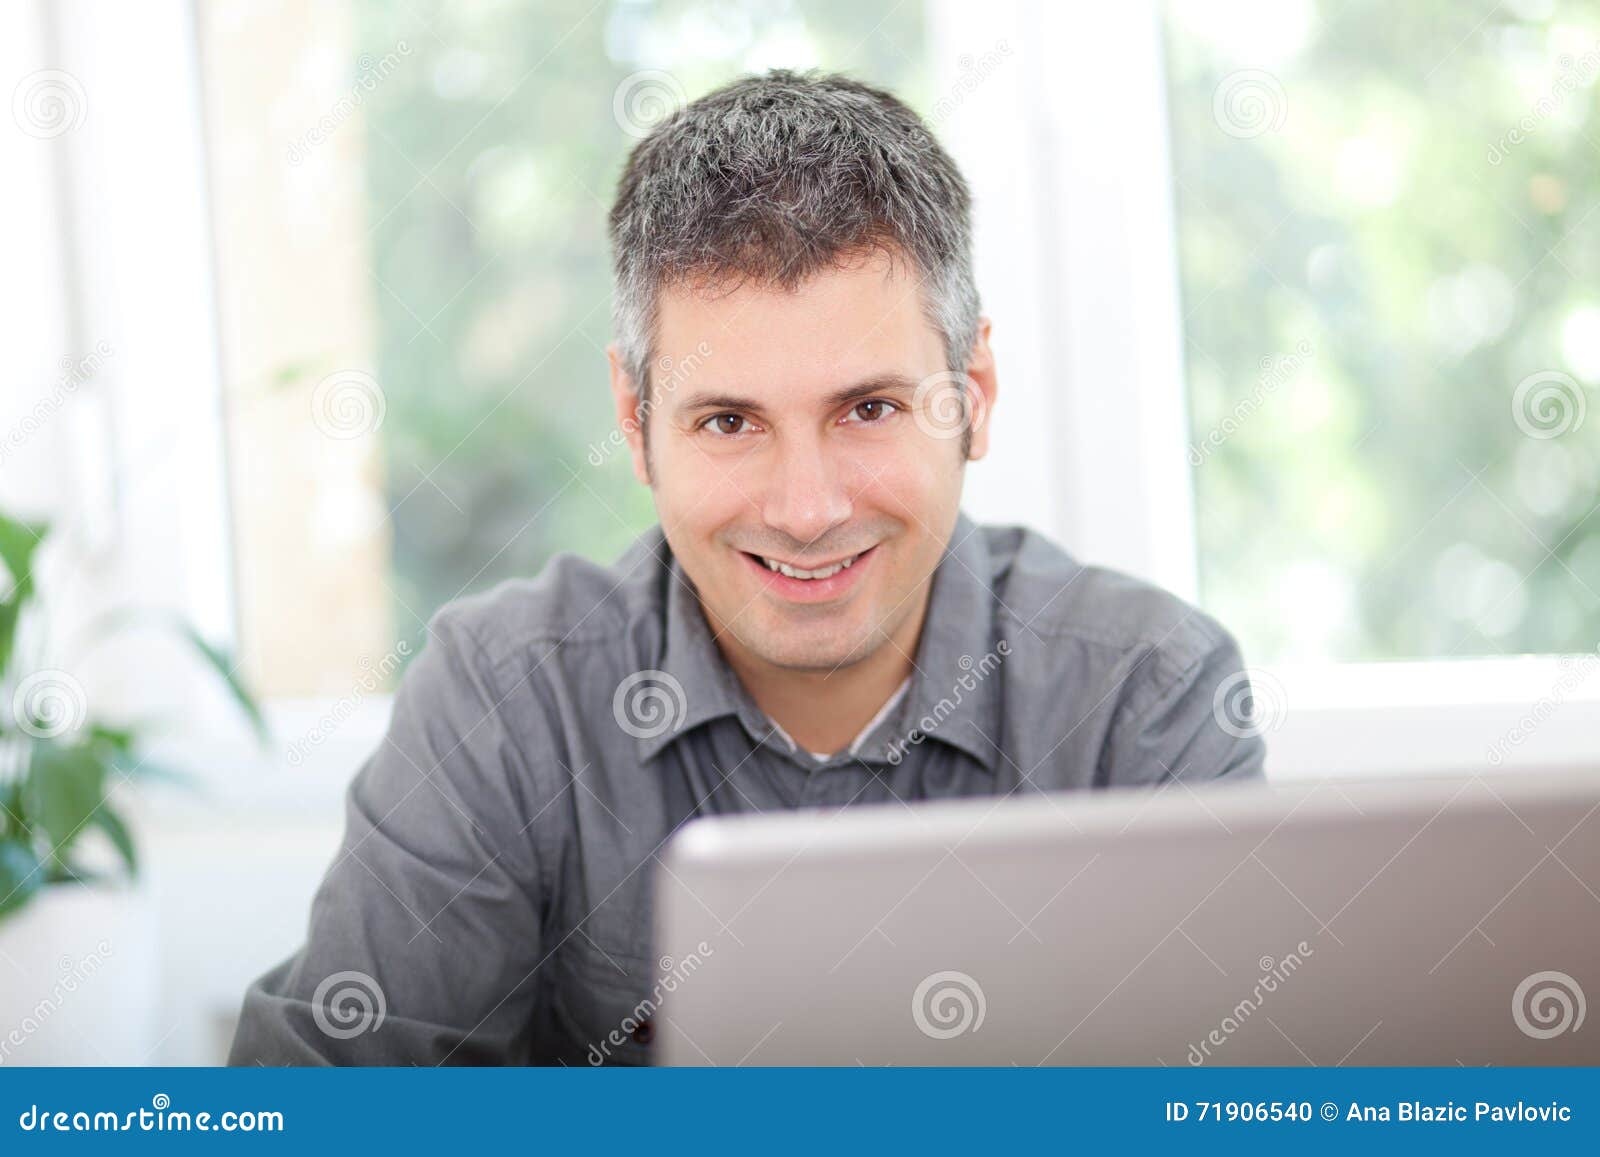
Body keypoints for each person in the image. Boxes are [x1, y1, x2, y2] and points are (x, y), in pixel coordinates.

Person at [229, 69, 1264, 1067]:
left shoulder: (1145, 699)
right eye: (729, 420)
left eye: (868, 409)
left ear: (972, 395)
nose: (806, 510)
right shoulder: (507, 700)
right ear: (637, 425)